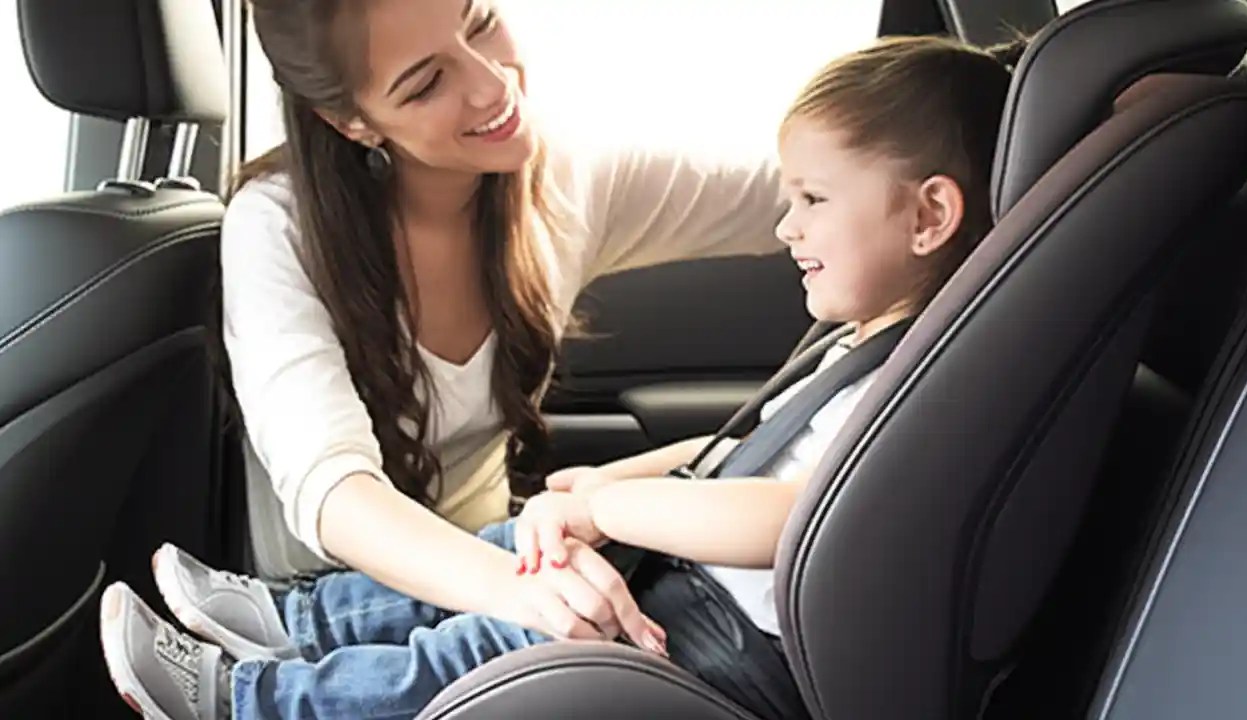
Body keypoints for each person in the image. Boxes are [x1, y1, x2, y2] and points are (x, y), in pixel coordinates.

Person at [99, 33, 1026, 720]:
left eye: (481, 19)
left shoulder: (567, 183)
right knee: (526, 580)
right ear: (352, 120)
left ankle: (254, 697)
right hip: (388, 558)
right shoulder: (280, 222)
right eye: (426, 81)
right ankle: (293, 621)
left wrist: (1052, 96)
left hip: (644, 603)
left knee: (517, 609)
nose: (492, 81)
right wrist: (587, 507)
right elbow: (331, 486)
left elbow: (830, 190)